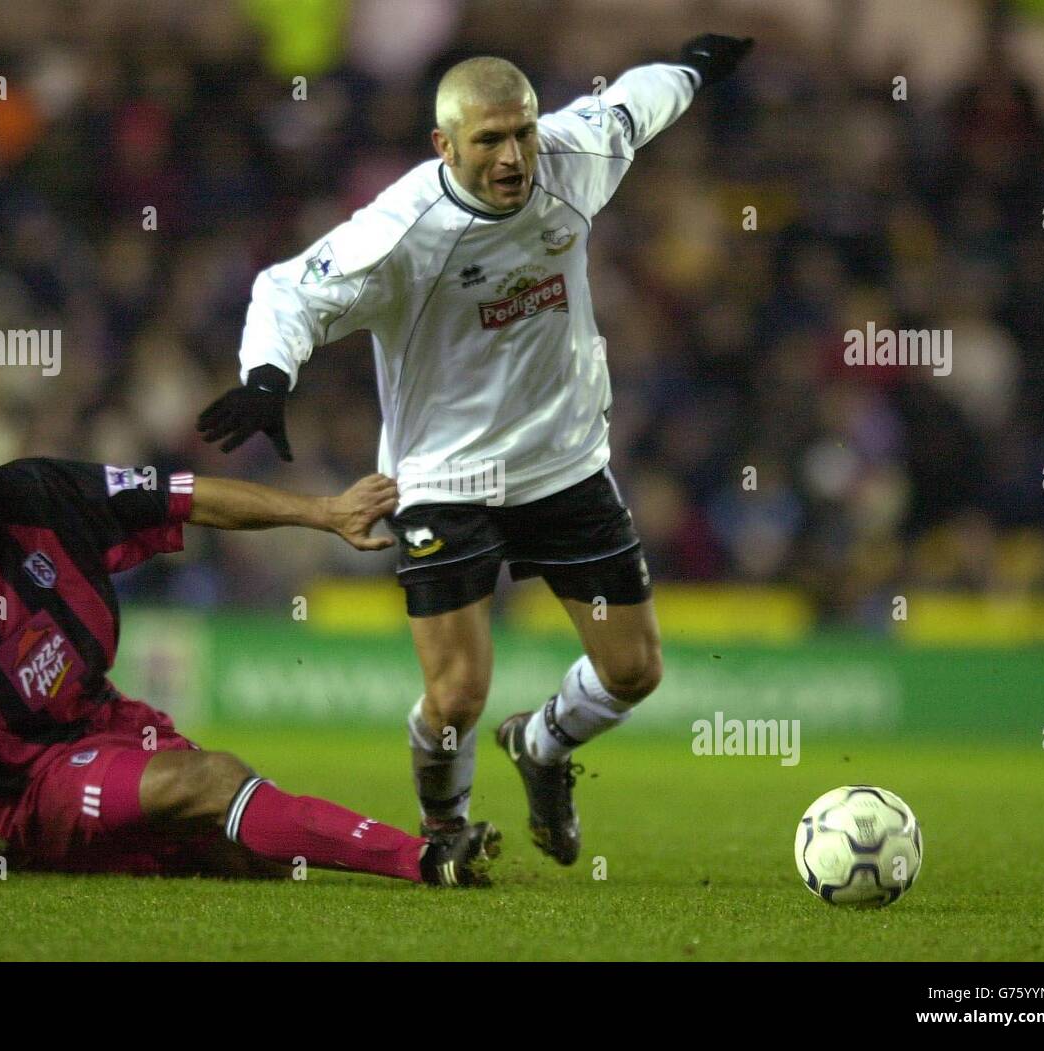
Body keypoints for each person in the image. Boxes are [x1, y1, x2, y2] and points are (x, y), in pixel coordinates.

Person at [197, 36, 754, 863]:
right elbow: (289, 290)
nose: (513, 155)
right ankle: (446, 830)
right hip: (445, 476)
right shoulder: (404, 230)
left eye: (522, 133)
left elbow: (638, 106)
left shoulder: (570, 156)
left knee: (634, 671)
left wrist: (697, 65)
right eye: (489, 140)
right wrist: (268, 378)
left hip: (564, 465)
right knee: (456, 694)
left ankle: (542, 745)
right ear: (444, 146)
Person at [0, 401, 501, 886]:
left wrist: (322, 512)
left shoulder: (35, 491)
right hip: (35, 783)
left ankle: (19, 851)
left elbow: (183, 498)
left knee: (260, 860)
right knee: (213, 781)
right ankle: (424, 858)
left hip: (109, 722)